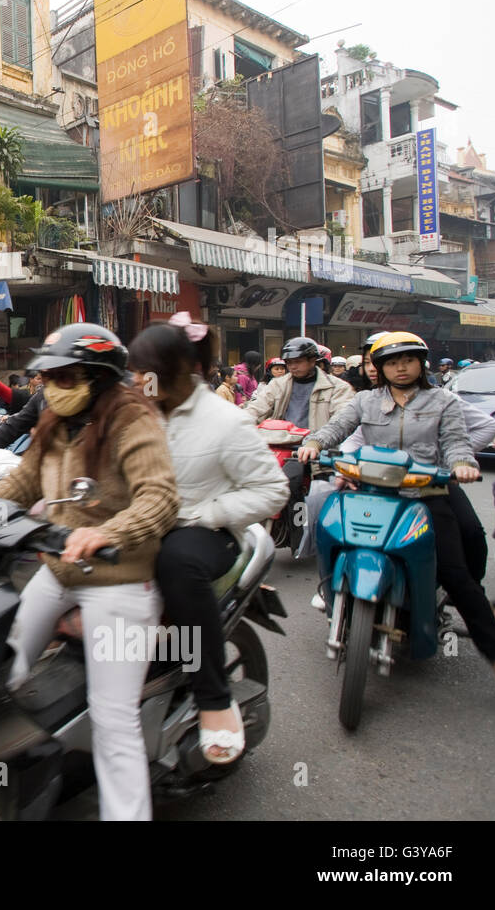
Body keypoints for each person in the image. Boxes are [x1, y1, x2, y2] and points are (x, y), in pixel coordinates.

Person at [0, 323, 179, 820]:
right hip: (57, 570)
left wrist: (108, 533)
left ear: (98, 377)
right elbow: (23, 482)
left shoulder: (134, 420)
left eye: (66, 376)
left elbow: (159, 498)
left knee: (113, 716)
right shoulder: (55, 422)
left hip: (118, 580)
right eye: (49, 376)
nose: (52, 385)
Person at [297, 332, 495, 695]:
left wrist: (462, 463)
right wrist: (314, 442)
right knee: (331, 534)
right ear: (380, 368)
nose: (400, 367)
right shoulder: (365, 401)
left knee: (455, 574)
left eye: (407, 360)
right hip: (373, 492)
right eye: (391, 362)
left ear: (421, 364)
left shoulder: (443, 401)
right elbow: (336, 428)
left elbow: (455, 441)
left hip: (426, 493)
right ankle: (338, 603)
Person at [129, 320, 289, 764]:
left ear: (181, 370)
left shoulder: (226, 422)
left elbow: (273, 491)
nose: (137, 382)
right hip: (138, 526)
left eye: (146, 373)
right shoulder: (135, 410)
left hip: (208, 536)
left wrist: (206, 514)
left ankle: (214, 697)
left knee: (175, 562)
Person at [243, 336, 355, 533]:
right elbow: (256, 410)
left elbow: (342, 421)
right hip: (279, 449)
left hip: (316, 453)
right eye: (289, 363)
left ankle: (302, 530)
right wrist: (236, 426)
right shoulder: (277, 385)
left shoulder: (338, 387)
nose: (292, 367)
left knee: (302, 491)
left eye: (298, 361)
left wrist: (317, 442)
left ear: (313, 360)